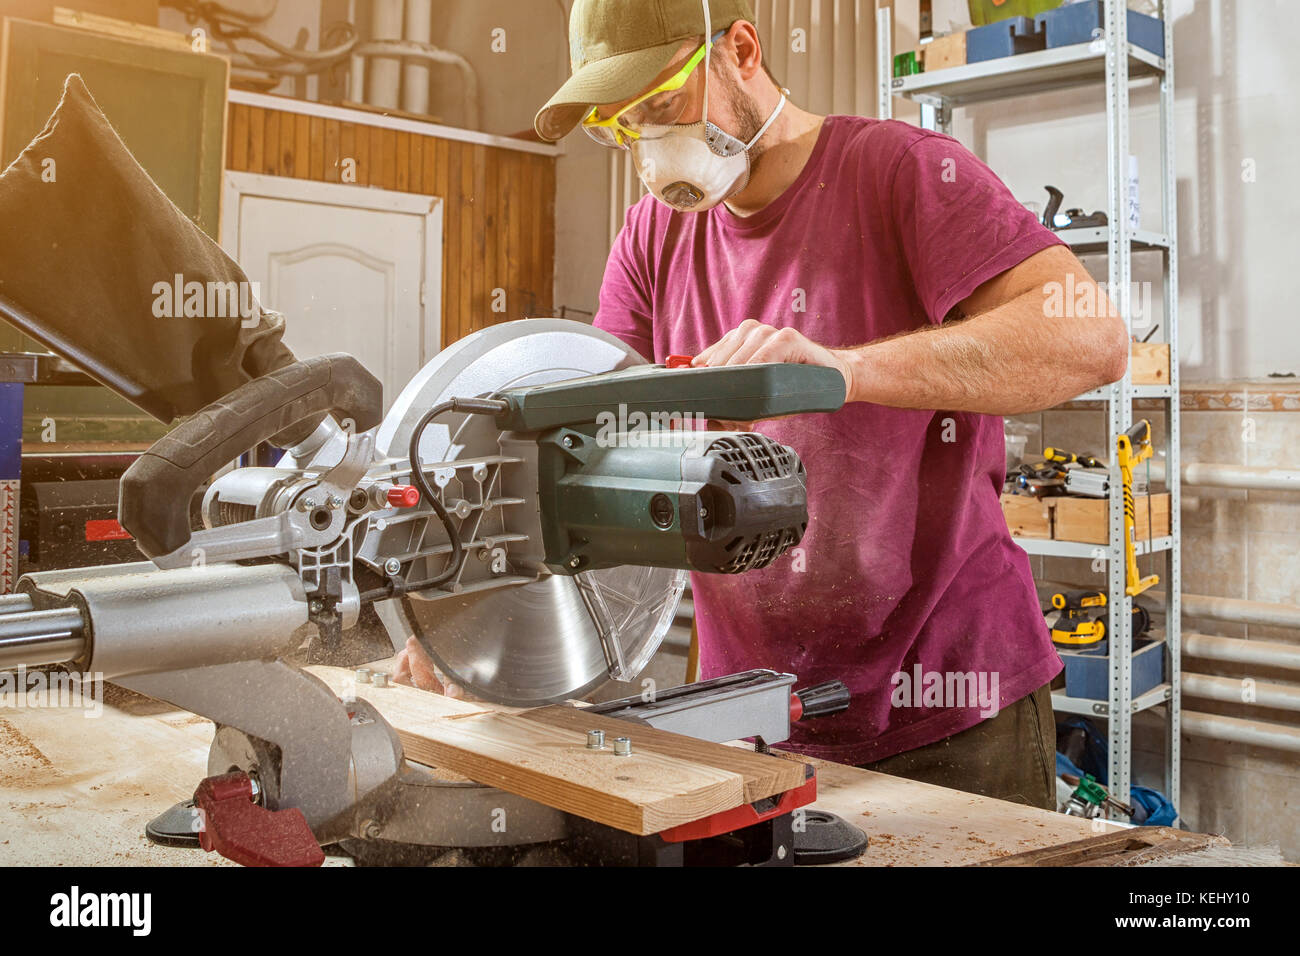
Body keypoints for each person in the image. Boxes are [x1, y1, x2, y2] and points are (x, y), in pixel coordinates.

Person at [398, 0, 1129, 811]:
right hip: (746, 706)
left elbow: (1089, 338)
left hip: (950, 702)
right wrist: (465, 630)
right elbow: (579, 444)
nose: (650, 144)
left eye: (663, 106)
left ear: (741, 49)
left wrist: (841, 370)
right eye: (622, 126)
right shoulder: (650, 238)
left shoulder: (902, 171)